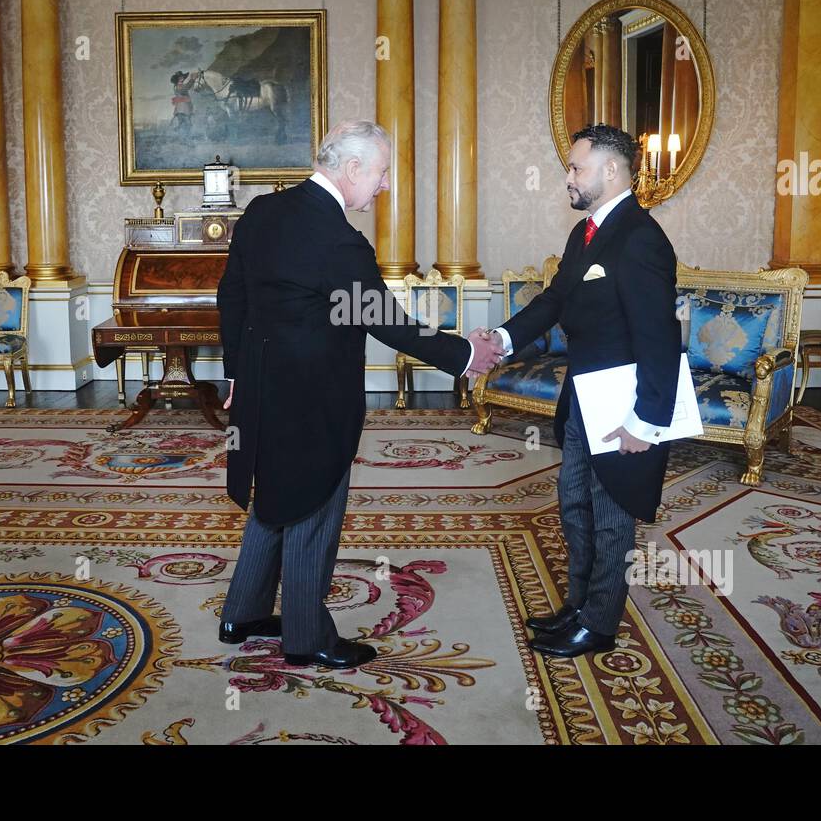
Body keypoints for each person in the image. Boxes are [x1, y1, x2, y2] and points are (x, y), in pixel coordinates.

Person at [216, 119, 505, 670]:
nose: (384, 185)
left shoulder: (262, 212)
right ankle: (305, 637)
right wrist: (464, 355)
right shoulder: (340, 240)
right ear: (351, 169)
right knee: (314, 504)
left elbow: (232, 296)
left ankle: (243, 613)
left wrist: (235, 373)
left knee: (274, 492)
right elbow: (384, 321)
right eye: (381, 172)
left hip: (258, 384)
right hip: (313, 395)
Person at [489, 123, 680, 657]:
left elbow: (660, 337)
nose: (567, 178)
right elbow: (554, 301)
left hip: (623, 406)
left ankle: (598, 623)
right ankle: (577, 605)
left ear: (612, 171)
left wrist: (647, 421)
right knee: (574, 503)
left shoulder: (642, 239)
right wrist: (504, 337)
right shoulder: (585, 234)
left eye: (576, 168)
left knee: (612, 511)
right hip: (581, 398)